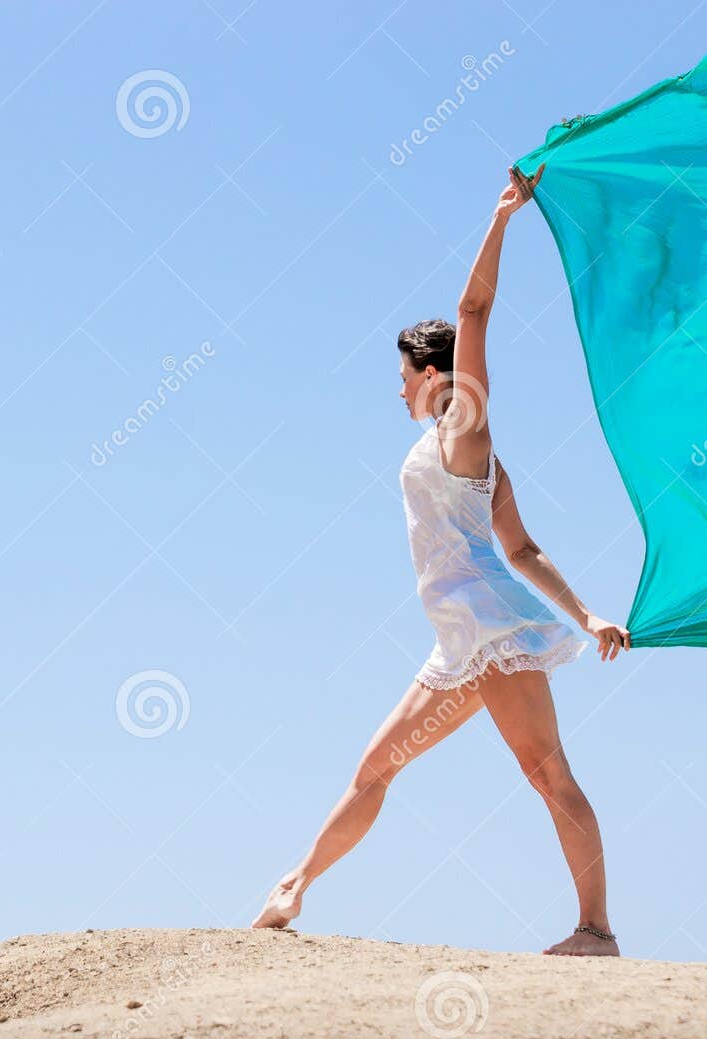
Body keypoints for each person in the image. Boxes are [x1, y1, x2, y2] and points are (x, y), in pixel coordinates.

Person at [252, 165, 632, 956]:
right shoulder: (452, 451)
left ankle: (596, 930)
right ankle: (292, 888)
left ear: (433, 376)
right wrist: (587, 613)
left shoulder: (466, 423)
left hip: (492, 628)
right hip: (459, 638)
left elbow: (473, 309)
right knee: (375, 764)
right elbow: (520, 547)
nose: (396, 392)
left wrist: (502, 216)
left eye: (402, 377)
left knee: (548, 772)